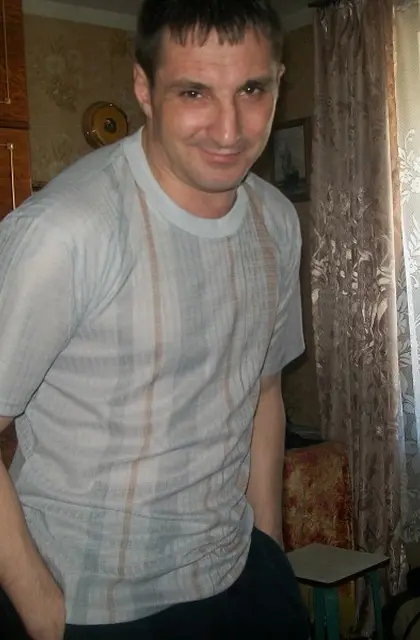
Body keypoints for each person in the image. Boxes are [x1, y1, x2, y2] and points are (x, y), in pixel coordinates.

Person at [0, 0, 309, 638]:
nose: (229, 129)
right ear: (143, 88)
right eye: (194, 92)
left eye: (252, 89)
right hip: (90, 601)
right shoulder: (64, 233)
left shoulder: (277, 221)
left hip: (239, 574)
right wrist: (44, 612)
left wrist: (269, 548)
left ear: (279, 82)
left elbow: (265, 391)